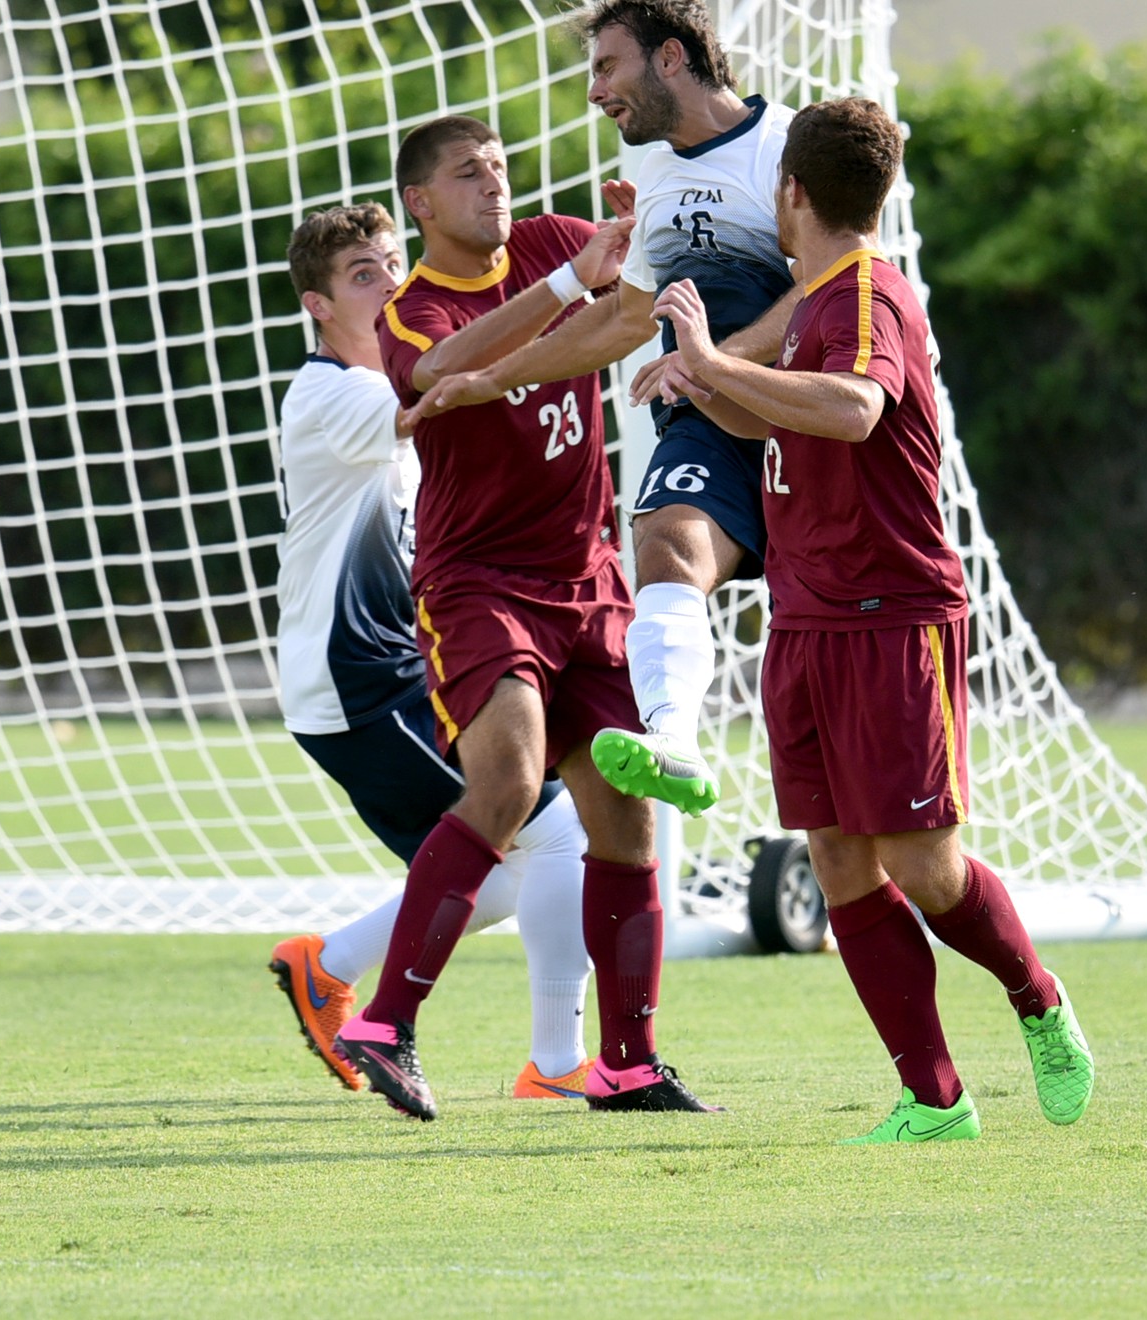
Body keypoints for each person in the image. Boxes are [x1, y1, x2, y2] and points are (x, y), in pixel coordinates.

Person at [649, 97, 1095, 1142]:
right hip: (806, 618)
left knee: (922, 866)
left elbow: (854, 409)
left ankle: (1037, 999)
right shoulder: (812, 301)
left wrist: (711, 358)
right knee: (837, 859)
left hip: (890, 616)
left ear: (791, 191)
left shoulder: (864, 295)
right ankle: (933, 1099)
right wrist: (700, 384)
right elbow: (782, 417)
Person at [329, 115, 719, 1120]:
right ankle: (385, 1022)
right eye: (469, 174)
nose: (494, 185)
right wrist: (569, 285)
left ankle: (627, 1063)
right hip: (479, 586)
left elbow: (628, 313)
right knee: (505, 782)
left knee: (624, 816)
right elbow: (437, 367)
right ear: (420, 203)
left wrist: (643, 247)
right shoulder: (410, 309)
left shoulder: (555, 240)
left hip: (586, 578)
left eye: (499, 167)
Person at [415, 0, 801, 818]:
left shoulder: (788, 148)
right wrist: (494, 378)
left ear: (670, 59)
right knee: (664, 544)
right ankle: (674, 741)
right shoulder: (658, 179)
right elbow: (624, 320)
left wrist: (715, 358)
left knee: (865, 845)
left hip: (816, 426)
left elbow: (835, 284)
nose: (594, 91)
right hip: (710, 425)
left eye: (606, 66)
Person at [269, 203, 593, 1101]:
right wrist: (573, 292)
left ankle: (330, 965)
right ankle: (554, 1065)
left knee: (516, 859)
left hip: (404, 663)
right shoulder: (334, 394)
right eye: (361, 276)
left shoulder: (396, 373)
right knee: (552, 832)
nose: (387, 283)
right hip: (358, 678)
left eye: (391, 264)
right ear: (318, 306)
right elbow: (452, 385)